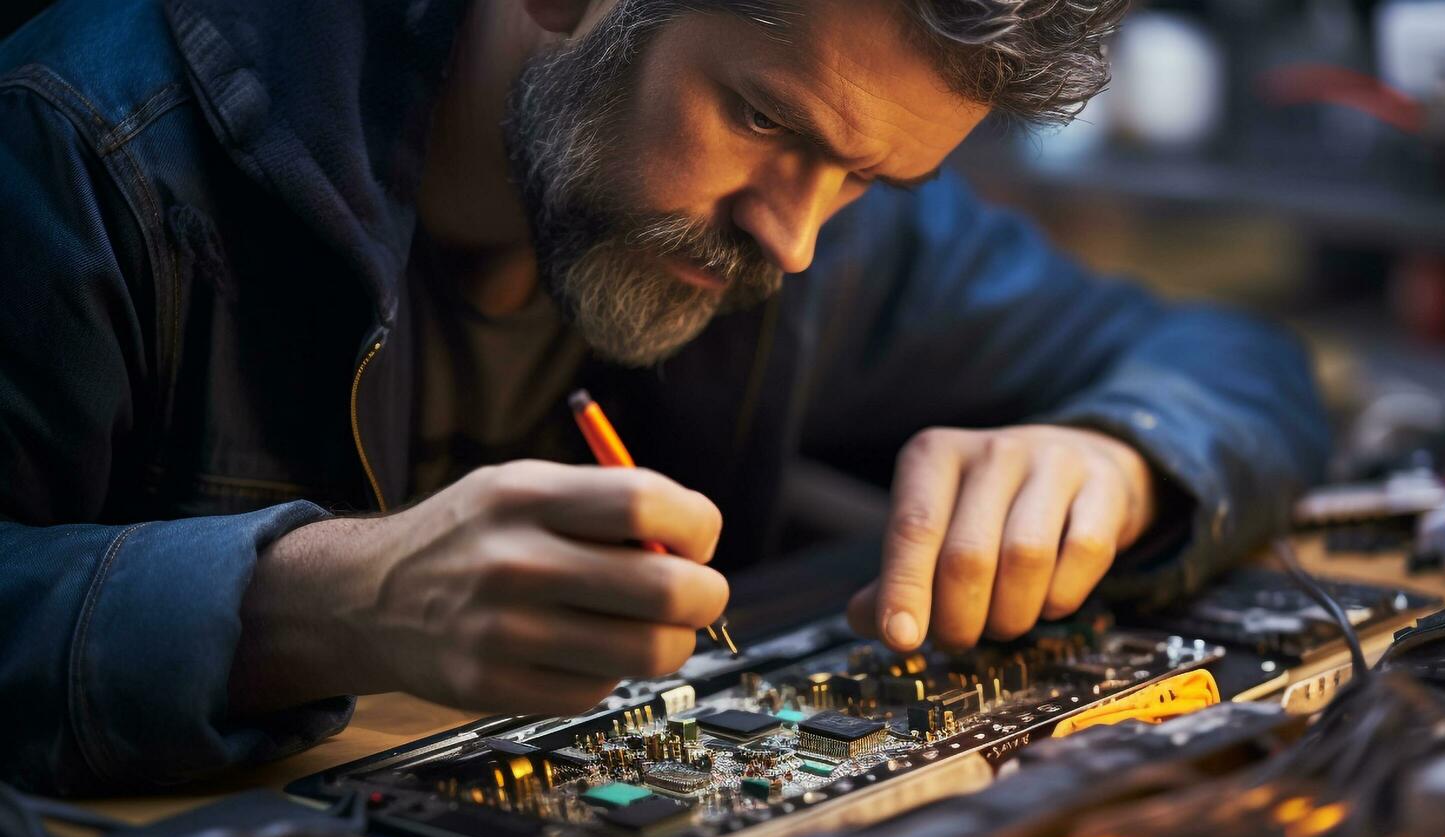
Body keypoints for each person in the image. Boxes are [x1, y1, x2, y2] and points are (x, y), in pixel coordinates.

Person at [0, 0, 1329, 794]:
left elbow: (1234, 363)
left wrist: (1118, 456)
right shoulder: (82, 140)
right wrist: (311, 605)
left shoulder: (806, 227)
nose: (798, 238)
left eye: (868, 180)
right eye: (767, 122)